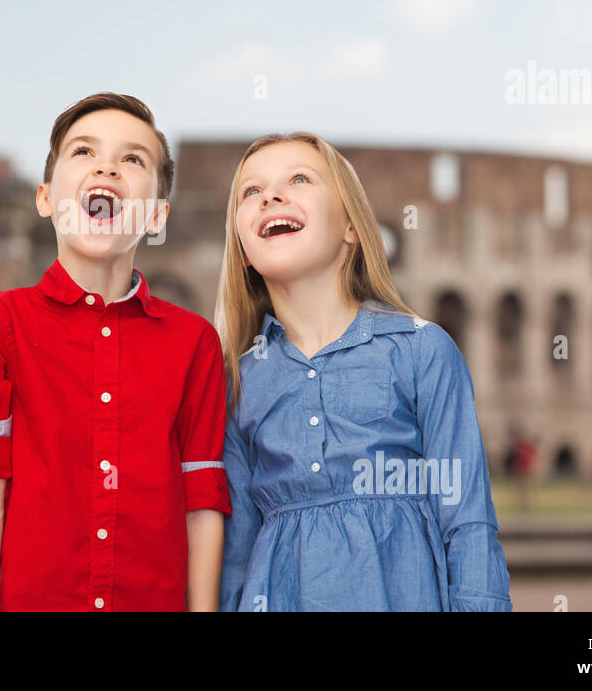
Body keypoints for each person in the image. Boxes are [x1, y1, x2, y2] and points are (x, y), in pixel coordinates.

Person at [0, 92, 231, 611]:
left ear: (157, 215)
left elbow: (201, 500)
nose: (107, 166)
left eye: (133, 159)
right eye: (83, 152)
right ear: (44, 199)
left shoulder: (194, 342)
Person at [217, 132, 511, 611]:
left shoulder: (421, 350)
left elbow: (467, 520)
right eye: (251, 191)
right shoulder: (238, 379)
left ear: (350, 225)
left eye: (299, 179)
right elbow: (236, 552)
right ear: (244, 248)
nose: (270, 195)